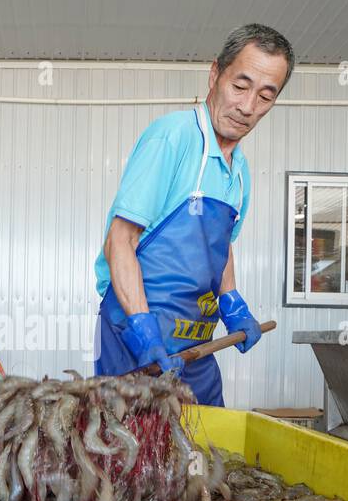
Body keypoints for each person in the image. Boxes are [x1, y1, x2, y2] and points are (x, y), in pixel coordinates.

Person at [92, 24, 293, 406]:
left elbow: (220, 246)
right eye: (240, 86)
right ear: (215, 73)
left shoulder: (240, 173)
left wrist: (233, 303)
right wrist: (143, 332)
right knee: (129, 452)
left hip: (197, 342)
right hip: (136, 337)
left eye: (265, 96)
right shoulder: (173, 138)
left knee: (206, 446)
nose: (248, 107)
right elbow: (121, 240)